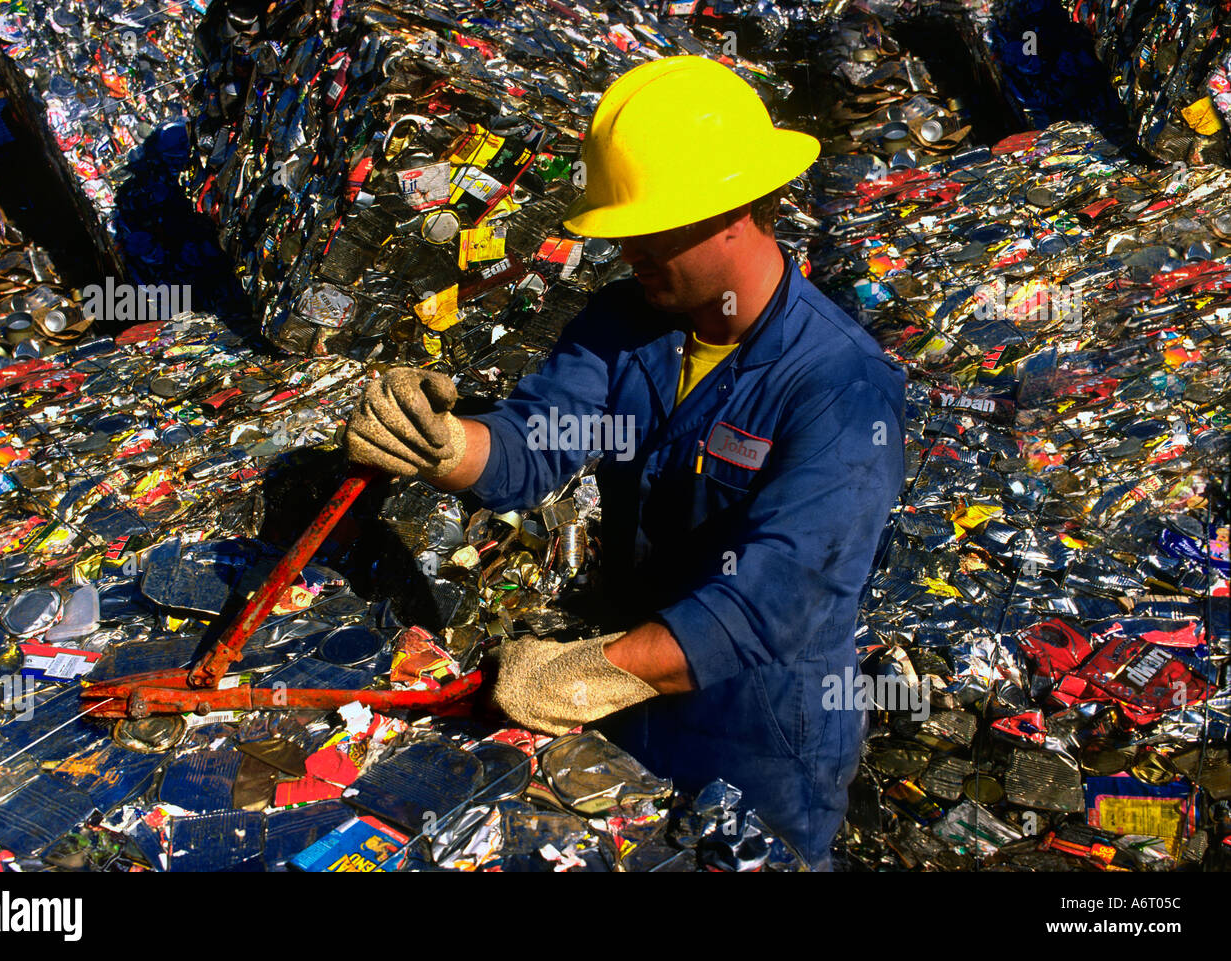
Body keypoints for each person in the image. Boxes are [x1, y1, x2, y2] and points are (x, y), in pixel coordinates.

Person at [346, 56, 906, 869]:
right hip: (633, 708)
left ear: (733, 213)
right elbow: (538, 444)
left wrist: (588, 671)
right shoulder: (627, 324)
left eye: (653, 230)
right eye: (623, 233)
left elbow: (775, 598)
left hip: (762, 731)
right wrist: (443, 444)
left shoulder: (840, 387)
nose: (631, 253)